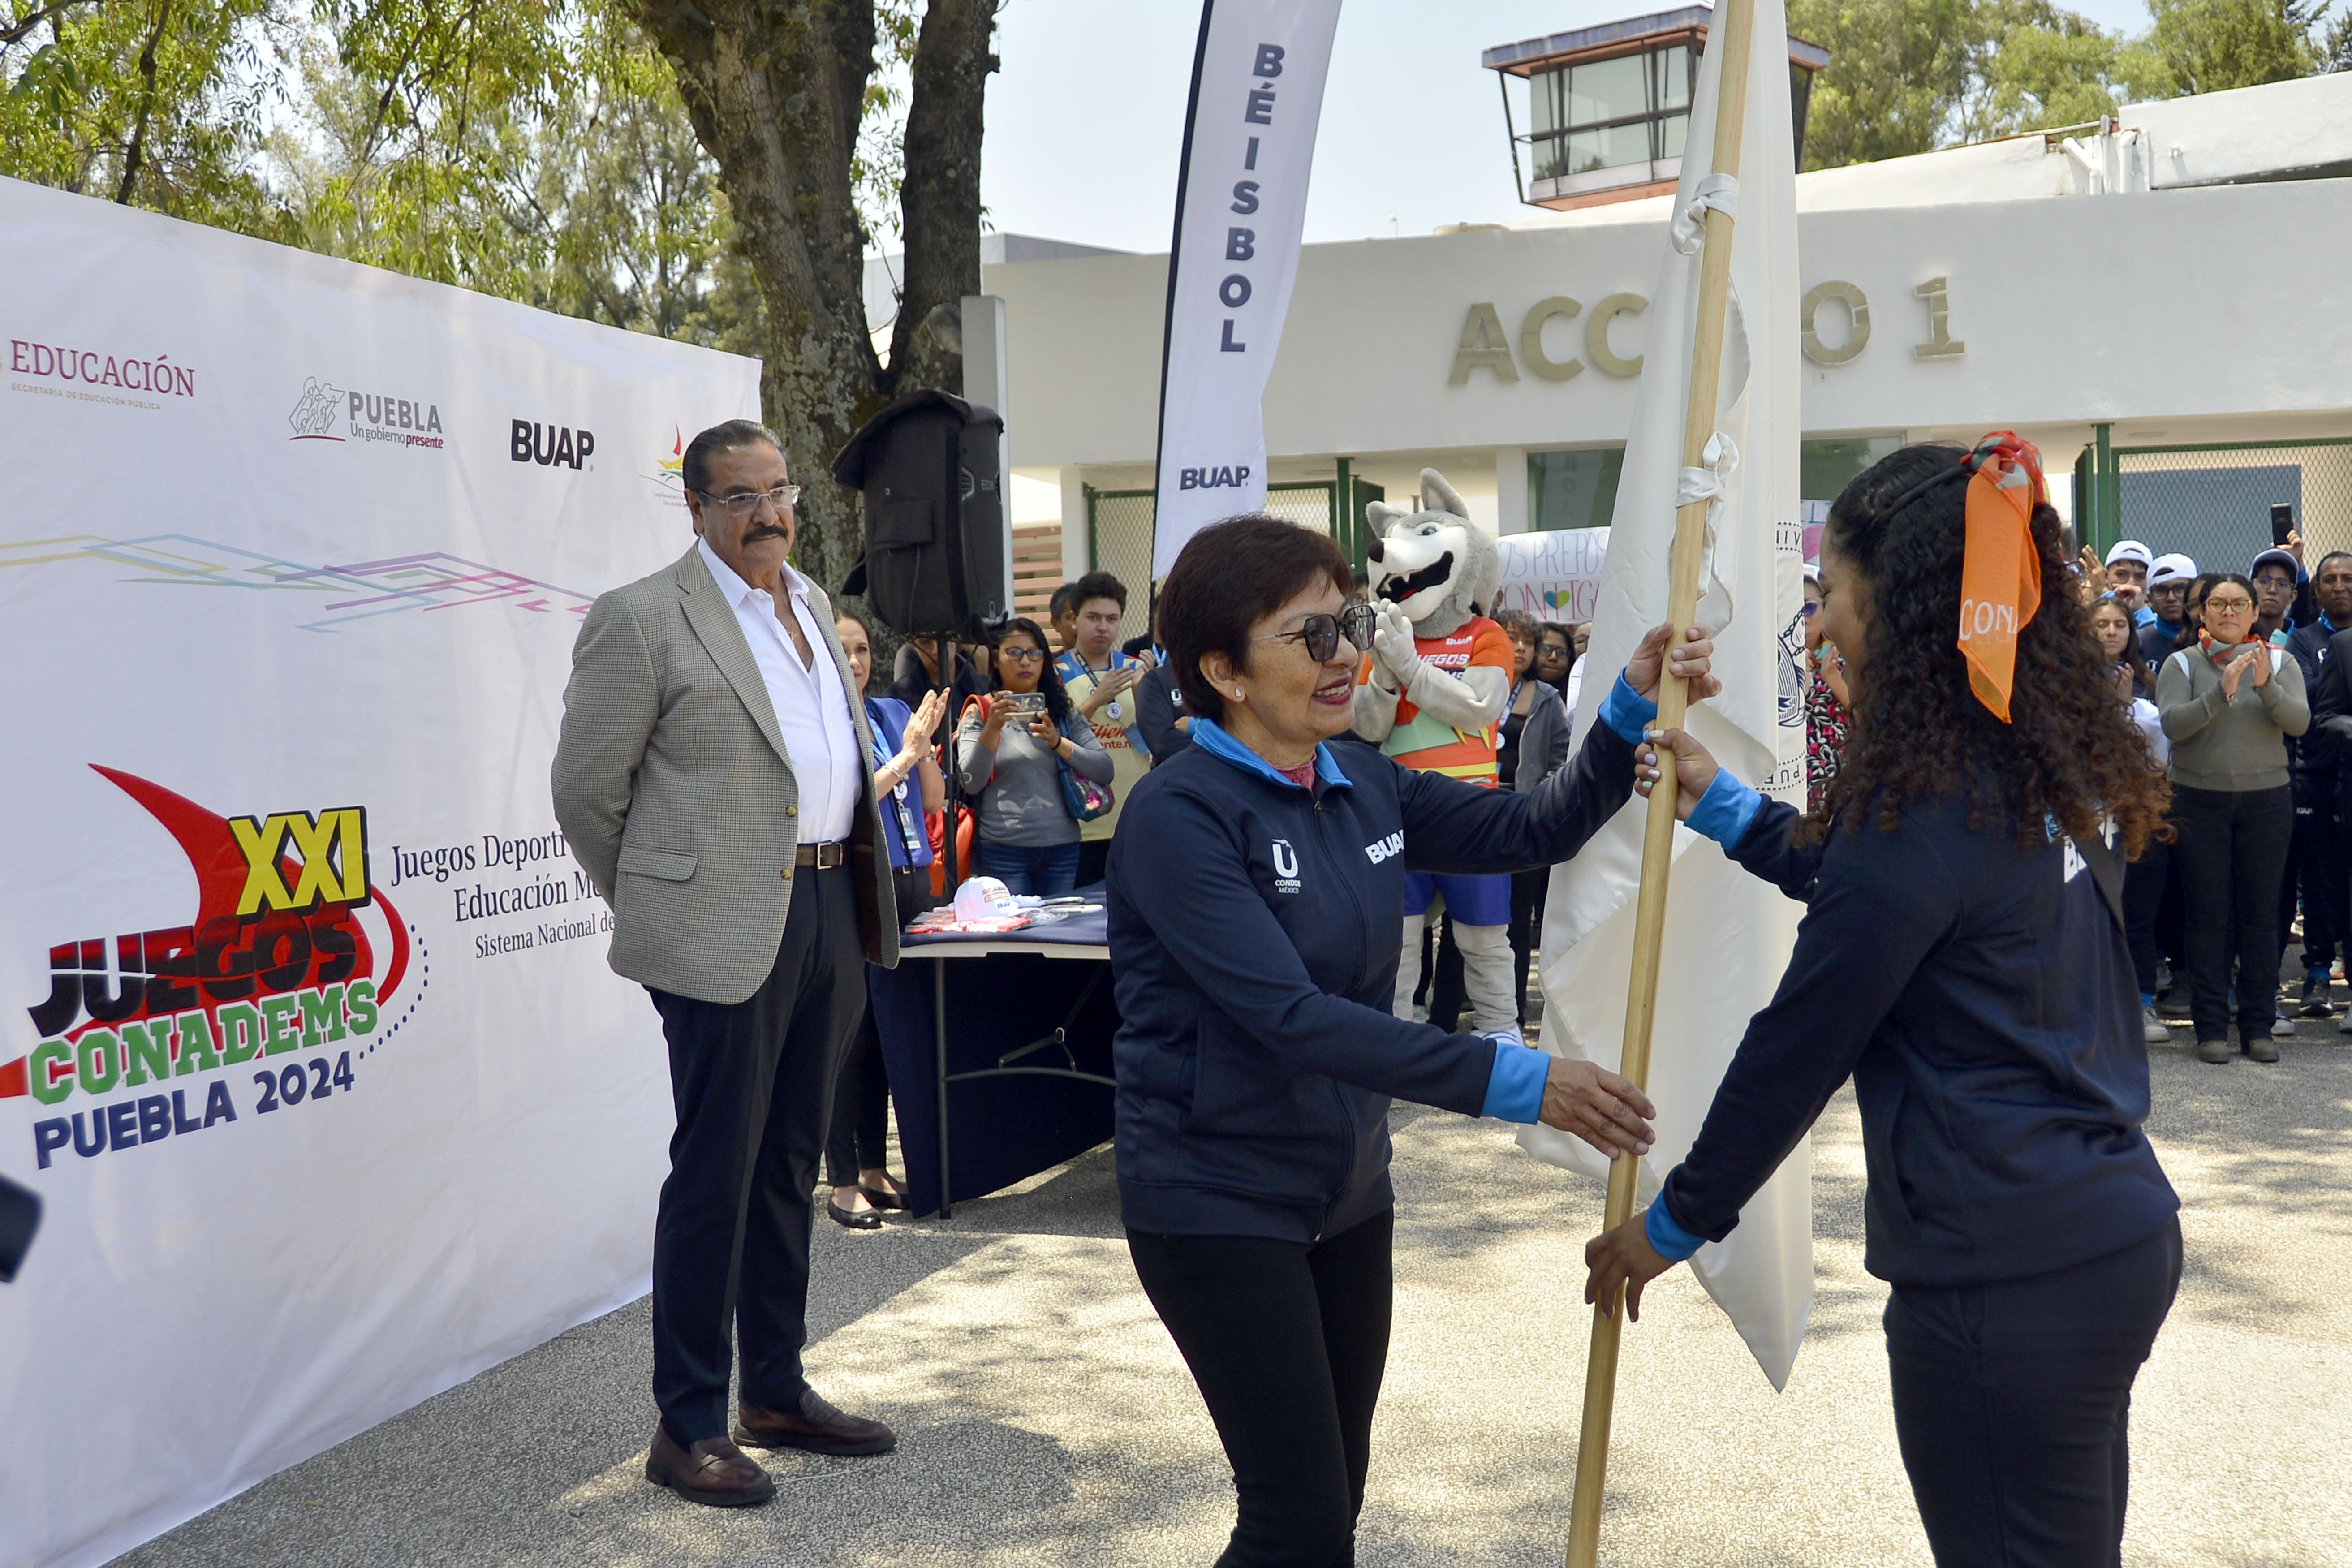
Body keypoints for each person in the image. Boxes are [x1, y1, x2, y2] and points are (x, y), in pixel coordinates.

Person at [1586, 436, 2180, 1568]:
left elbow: (1800, 1044)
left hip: (2006, 1280)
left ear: (1893, 603)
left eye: (1835, 586)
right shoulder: (2028, 755)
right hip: (2107, 1239)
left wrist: (1675, 1223)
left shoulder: (1924, 809)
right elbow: (1897, 901)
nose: (1822, 620)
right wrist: (1731, 813)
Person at [1111, 512, 1715, 1568]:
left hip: (1347, 1193)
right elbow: (1291, 1020)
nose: (1347, 654)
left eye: (1345, 621)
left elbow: (1539, 828)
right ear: (1224, 671)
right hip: (1216, 1203)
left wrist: (1626, 701)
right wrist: (1520, 1079)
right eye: (1308, 637)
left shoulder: (1360, 778)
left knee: (1329, 1506)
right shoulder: (1180, 817)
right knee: (1294, 1520)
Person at [551, 418, 901, 1509]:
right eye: (742, 497)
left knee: (791, 1158)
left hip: (833, 901)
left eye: (779, 491)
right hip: (723, 929)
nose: (768, 513)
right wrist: (665, 905)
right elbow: (586, 792)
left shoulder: (806, 605)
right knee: (717, 1172)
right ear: (697, 509)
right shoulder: (645, 618)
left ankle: (777, 1390)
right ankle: (689, 1421)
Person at [2157, 571, 2309, 1063]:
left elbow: (2300, 722)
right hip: (2199, 800)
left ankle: (2258, 1025)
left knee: (2262, 915)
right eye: (2217, 603)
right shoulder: (2182, 663)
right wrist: (2219, 693)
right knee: (2207, 914)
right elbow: (2174, 727)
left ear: (2252, 611)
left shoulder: (2280, 660)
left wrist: (2263, 687)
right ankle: (2210, 1028)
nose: (2227, 611)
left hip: (2267, 800)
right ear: (2202, 612)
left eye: (2238, 603)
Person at [827, 612, 947, 1229]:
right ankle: (843, 1180)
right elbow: (847, 802)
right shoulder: (823, 720)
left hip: (910, 883)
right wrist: (902, 760)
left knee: (888, 1035)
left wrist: (922, 748)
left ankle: (875, 1166)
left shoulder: (890, 714)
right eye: (842, 650)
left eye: (863, 649)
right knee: (850, 1037)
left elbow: (929, 801)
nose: (856, 661)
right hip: (857, 885)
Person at [954, 617, 1112, 896]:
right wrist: (992, 728)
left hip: (1062, 848)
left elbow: (1104, 770)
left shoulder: (1063, 712)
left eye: (1034, 653)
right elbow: (971, 782)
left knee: (1055, 936)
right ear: (996, 659)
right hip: (1003, 849)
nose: (1025, 662)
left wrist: (1058, 743)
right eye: (1014, 653)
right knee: (1015, 936)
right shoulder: (979, 711)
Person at [2098, 594, 2177, 1047]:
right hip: (2086, 813)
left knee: (2140, 911)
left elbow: (2159, 756)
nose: (2111, 632)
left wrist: (2130, 707)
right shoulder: (2064, 683)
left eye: (2119, 625)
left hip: (2139, 809)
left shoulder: (2148, 679)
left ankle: (2143, 999)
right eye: (2101, 624)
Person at [2282, 551, 2352, 1017]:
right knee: (2322, 880)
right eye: (2331, 579)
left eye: (2349, 577)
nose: (2341, 585)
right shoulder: (2304, 640)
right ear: (2317, 591)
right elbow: (2308, 701)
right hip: (2315, 776)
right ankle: (2317, 974)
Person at [1495, 608, 1570, 1023]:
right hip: (1472, 810)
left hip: (1521, 816)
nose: (1520, 648)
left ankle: (1513, 1013)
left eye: (1528, 642)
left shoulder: (1546, 697)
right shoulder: (1475, 686)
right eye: (1511, 638)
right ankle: (1445, 1014)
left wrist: (1537, 801)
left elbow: (1559, 759)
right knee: (1464, 923)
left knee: (1517, 923)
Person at [1056, 570, 1151, 886]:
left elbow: (1159, 739)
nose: (1103, 627)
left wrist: (1144, 695)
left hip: (1134, 817)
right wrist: (1096, 700)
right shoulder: (1056, 673)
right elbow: (1053, 739)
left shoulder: (1137, 669)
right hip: (1082, 821)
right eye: (1093, 617)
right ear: (1074, 619)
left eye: (1112, 619)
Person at [1802, 568, 1853, 813]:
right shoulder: (1774, 661)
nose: (1802, 616)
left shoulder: (1842, 654)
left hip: (1835, 774)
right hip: (1791, 775)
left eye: (1809, 607)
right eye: (1793, 608)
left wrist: (1832, 678)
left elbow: (1863, 710)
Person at [889, 632, 986, 718]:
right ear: (914, 646)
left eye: (943, 641)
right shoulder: (897, 700)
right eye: (926, 643)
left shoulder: (980, 687)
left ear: (955, 641)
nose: (936, 651)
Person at [2141, 553, 2197, 664]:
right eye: (2161, 590)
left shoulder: (2213, 639)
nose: (2171, 598)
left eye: (2180, 588)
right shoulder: (2137, 643)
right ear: (2150, 598)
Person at [2102, 538, 2154, 623]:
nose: (2131, 583)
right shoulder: (2090, 611)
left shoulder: (2159, 616)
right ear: (2106, 576)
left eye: (2140, 577)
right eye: (2121, 574)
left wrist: (2141, 610)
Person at [1534, 621, 1575, 698]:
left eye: (1562, 652)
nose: (1554, 657)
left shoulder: (1578, 695)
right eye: (1546, 649)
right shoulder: (1511, 690)